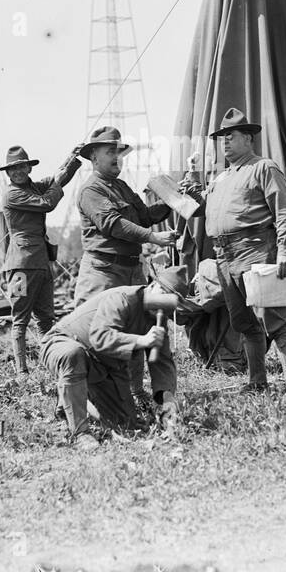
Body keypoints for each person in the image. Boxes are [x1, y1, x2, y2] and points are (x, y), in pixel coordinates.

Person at [180, 107, 286, 392]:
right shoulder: (223, 177)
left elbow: (282, 211)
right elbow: (206, 207)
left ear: (248, 139)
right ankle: (257, 382)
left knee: (275, 319)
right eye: (221, 137)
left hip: (255, 249)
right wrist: (192, 188)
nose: (224, 141)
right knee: (244, 323)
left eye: (230, 135)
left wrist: (285, 250)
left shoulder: (263, 167)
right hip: (224, 255)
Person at [41, 265, 192, 450]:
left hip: (106, 365)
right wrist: (142, 340)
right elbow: (99, 337)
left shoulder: (157, 320)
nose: (163, 303)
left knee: (126, 426)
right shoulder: (122, 299)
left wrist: (167, 399)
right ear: (152, 285)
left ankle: (72, 399)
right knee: (73, 355)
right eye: (163, 292)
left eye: (170, 300)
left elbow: (162, 363)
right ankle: (80, 433)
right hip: (64, 343)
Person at [75, 126, 176, 392]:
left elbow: (144, 215)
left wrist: (174, 200)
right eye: (110, 152)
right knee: (102, 335)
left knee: (138, 329)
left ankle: (135, 392)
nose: (116, 158)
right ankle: (98, 396)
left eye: (119, 152)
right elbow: (113, 224)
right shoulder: (91, 190)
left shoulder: (121, 186)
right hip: (103, 273)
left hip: (131, 271)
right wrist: (153, 238)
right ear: (94, 157)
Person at [0, 143, 83, 375]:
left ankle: (51, 364)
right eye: (12, 169)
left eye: (21, 167)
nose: (16, 171)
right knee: (21, 319)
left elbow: (57, 179)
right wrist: (56, 183)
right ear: (7, 173)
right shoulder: (12, 193)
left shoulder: (33, 186)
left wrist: (72, 158)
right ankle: (21, 371)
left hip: (41, 263)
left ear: (28, 168)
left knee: (46, 318)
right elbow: (48, 202)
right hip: (20, 266)